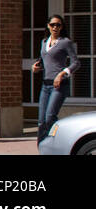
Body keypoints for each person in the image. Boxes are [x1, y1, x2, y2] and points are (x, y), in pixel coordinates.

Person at [34, 14, 79, 145]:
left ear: (62, 27)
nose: (55, 27)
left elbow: (76, 63)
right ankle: (42, 147)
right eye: (52, 24)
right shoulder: (44, 42)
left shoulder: (65, 42)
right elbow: (43, 61)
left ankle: (56, 145)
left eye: (58, 25)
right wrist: (36, 67)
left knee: (50, 117)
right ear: (48, 26)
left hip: (59, 86)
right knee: (41, 121)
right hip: (45, 86)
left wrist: (61, 74)